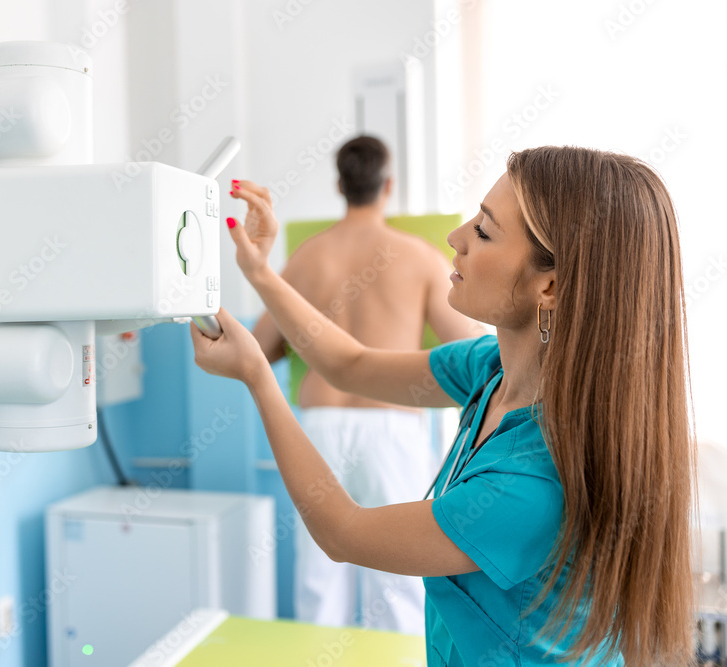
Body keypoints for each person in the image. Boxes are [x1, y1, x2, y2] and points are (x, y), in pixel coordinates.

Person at [191, 146, 694, 665]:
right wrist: (260, 272)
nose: (456, 238)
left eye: (483, 231)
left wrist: (257, 376)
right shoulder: (490, 368)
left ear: (550, 286)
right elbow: (352, 365)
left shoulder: (535, 481)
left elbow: (344, 533)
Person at [250, 135, 482, 634]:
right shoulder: (418, 257)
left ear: (339, 184)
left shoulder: (306, 258)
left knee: (318, 579)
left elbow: (262, 347)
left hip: (320, 427)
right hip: (391, 428)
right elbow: (472, 352)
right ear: (387, 185)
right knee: (397, 585)